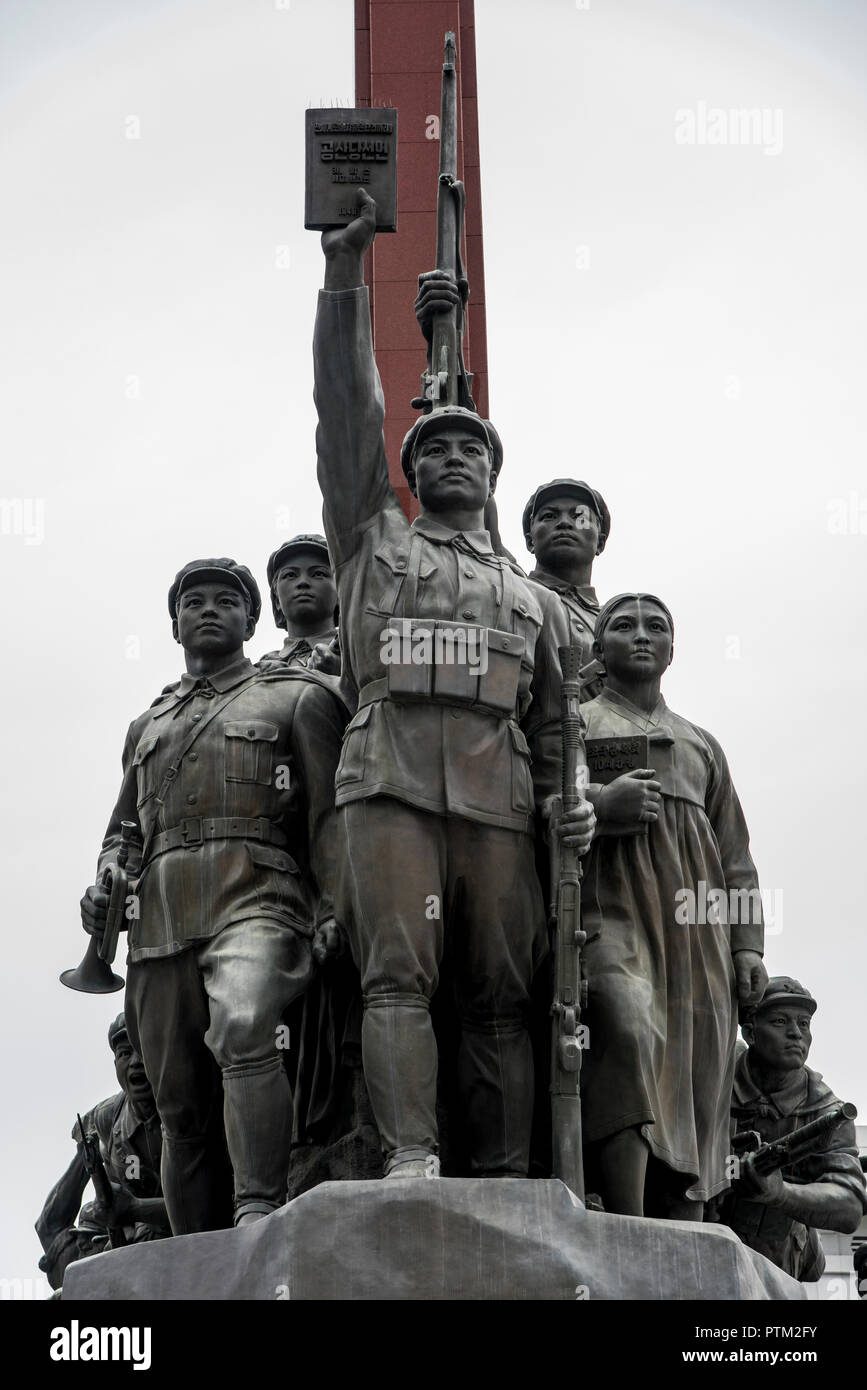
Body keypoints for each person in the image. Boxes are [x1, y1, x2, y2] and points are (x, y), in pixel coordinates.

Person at [311, 189, 595, 1179]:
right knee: (396, 978)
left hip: (503, 802)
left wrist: (575, 806)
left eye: (472, 447)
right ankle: (411, 1159)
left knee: (504, 995)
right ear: (411, 471)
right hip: (389, 782)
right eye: (435, 446)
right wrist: (346, 273)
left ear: (493, 473)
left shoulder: (539, 601)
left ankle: (512, 1176)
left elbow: (560, 726)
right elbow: (346, 415)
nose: (455, 456)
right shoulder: (371, 545)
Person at [79, 558, 346, 1230]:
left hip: (259, 892)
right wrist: (106, 879)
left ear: (252, 620)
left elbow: (327, 818)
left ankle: (259, 1207)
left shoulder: (295, 697)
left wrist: (335, 904)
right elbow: (124, 832)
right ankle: (196, 1248)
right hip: (161, 913)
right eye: (192, 601)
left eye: (226, 601)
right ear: (173, 624)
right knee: (177, 1101)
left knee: (245, 1024)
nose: (207, 610)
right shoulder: (147, 725)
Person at [578, 593, 767, 1218]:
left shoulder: (701, 744)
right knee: (627, 1027)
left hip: (698, 933)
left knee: (697, 1067)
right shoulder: (577, 727)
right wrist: (601, 810)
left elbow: (737, 857)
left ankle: (686, 1230)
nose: (640, 635)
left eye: (655, 627)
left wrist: (747, 946)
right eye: (623, 625)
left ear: (671, 650)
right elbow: (540, 817)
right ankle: (625, 1217)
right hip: (613, 912)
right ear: (598, 646)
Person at [720, 977, 866, 1280]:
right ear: (749, 1031)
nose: (796, 1033)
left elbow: (850, 1205)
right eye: (779, 1021)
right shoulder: (714, 1071)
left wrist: (779, 1193)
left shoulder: (825, 1109)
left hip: (774, 1257)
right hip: (706, 1233)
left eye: (804, 1023)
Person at [35, 1014, 166, 1290]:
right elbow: (49, 1225)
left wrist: (136, 1210)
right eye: (124, 1053)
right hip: (129, 1242)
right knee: (66, 1257)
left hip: (187, 1235)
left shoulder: (191, 1108)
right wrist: (87, 1155)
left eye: (144, 1050)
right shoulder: (105, 1118)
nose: (135, 1062)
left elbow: (209, 1205)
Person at [521, 480, 610, 699]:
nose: (564, 523)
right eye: (549, 516)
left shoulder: (613, 625)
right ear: (530, 540)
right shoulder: (512, 594)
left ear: (600, 542)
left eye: (580, 517)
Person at [259, 534, 339, 670]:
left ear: (340, 592)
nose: (303, 582)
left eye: (318, 574)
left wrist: (345, 675)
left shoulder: (358, 655)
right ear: (276, 597)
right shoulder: (260, 670)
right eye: (290, 575)